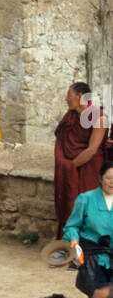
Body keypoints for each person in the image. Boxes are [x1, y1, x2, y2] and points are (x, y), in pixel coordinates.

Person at [54, 82, 106, 237]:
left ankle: (89, 247)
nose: (66, 99)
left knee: (87, 207)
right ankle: (69, 243)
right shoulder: (69, 117)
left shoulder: (98, 117)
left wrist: (70, 167)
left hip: (89, 169)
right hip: (72, 168)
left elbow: (91, 150)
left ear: (80, 96)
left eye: (69, 95)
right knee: (69, 205)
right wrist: (67, 166)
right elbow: (62, 140)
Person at [64, 160, 113, 296]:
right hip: (94, 260)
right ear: (100, 178)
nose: (112, 182)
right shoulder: (86, 199)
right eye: (108, 178)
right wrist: (73, 238)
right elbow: (72, 226)